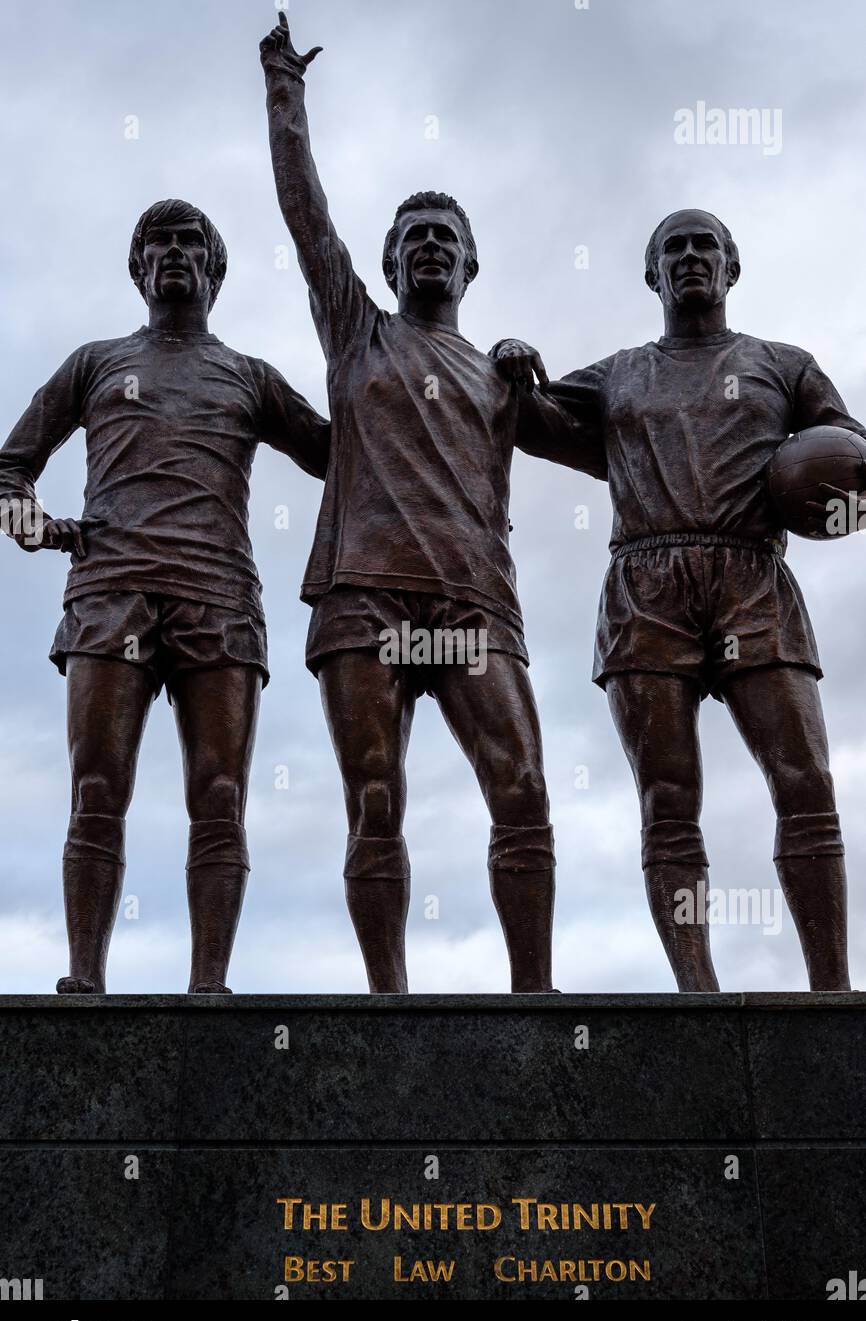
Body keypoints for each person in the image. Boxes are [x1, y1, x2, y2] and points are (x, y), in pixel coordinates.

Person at [259, 14, 604, 994]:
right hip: (365, 597)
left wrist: (528, 389)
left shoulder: (503, 377)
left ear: (469, 265)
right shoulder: (355, 330)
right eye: (410, 235)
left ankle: (534, 995)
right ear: (385, 259)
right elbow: (304, 214)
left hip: (469, 608)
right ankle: (387, 1002)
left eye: (443, 237)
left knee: (525, 792)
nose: (426, 245)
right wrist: (284, 91)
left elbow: (607, 452)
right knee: (374, 800)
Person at [494, 208, 865, 991]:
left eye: (706, 246)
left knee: (805, 781)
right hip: (646, 586)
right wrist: (510, 361)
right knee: (668, 797)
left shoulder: (784, 364)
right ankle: (696, 992)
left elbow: (854, 457)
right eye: (675, 248)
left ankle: (832, 991)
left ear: (732, 269)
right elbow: (532, 420)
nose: (691, 257)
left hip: (751, 577)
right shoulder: (621, 373)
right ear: (651, 274)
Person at [0, 198, 329, 995]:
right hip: (110, 593)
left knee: (219, 796)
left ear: (215, 268)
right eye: (160, 243)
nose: (175, 253)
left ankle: (208, 986)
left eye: (190, 243)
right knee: (96, 788)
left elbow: (344, 457)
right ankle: (83, 977)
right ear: (137, 267)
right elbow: (8, 468)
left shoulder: (250, 377)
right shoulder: (95, 363)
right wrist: (32, 524)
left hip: (219, 600)